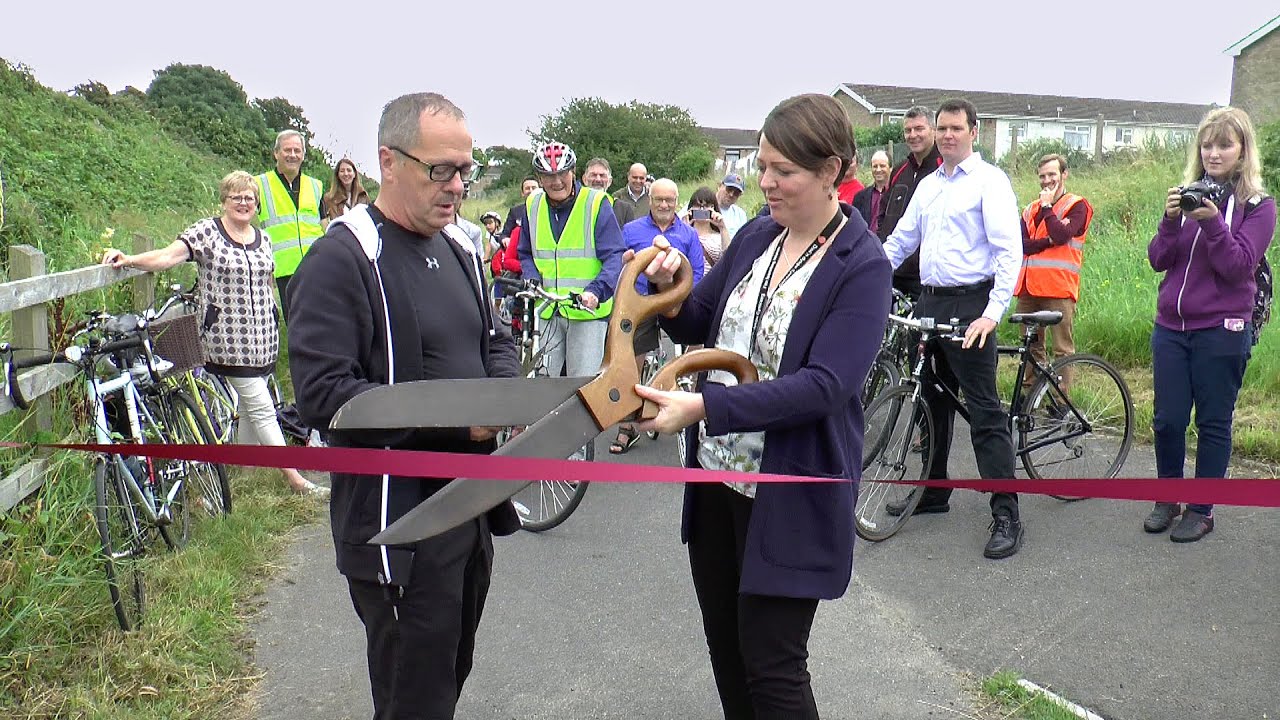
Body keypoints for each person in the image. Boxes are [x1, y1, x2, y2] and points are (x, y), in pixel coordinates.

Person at [633, 93, 891, 719]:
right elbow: (702, 319)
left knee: (773, 666)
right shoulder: (758, 235)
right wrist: (669, 288)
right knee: (728, 651)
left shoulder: (863, 265)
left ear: (831, 171)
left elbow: (825, 386)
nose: (764, 181)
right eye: (763, 165)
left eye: (783, 170)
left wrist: (704, 408)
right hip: (718, 480)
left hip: (789, 490)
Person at [286, 92, 522, 719]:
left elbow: (496, 337)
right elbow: (324, 397)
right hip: (398, 529)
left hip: (468, 514)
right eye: (440, 170)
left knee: (445, 681)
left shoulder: (464, 248)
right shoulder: (342, 260)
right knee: (411, 698)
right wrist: (455, 418)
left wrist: (505, 396)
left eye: (465, 170)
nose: (457, 186)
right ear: (388, 162)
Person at [101, 171, 324, 497]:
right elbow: (167, 256)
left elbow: (266, 285)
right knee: (262, 408)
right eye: (237, 197)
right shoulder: (208, 232)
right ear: (224, 201)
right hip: (227, 342)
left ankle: (245, 477)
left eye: (249, 198)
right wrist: (130, 259)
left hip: (263, 341)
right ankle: (296, 480)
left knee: (249, 409)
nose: (243, 203)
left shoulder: (263, 238)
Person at [881, 98, 1024, 560]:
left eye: (955, 128)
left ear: (974, 132)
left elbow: (1008, 253)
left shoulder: (989, 181)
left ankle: (1007, 511)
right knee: (931, 403)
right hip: (931, 300)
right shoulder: (928, 186)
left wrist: (992, 312)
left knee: (984, 411)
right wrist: (863, 275)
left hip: (972, 304)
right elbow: (902, 240)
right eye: (941, 128)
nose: (946, 135)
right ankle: (934, 490)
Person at [1144, 106, 1276, 543]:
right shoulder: (1188, 193)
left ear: (1242, 151)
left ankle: (1201, 509)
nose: (1214, 153)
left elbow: (1238, 266)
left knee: (1214, 421)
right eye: (1207, 144)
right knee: (1167, 419)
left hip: (1223, 327)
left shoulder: (1258, 207)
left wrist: (1214, 224)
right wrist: (1169, 220)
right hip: (1172, 326)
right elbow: (1158, 259)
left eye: (1224, 144)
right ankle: (1169, 497)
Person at [515, 141, 625, 387]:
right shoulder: (532, 205)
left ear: (573, 172)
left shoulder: (595, 203)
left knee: (582, 386)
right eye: (548, 175)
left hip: (586, 311)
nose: (556, 181)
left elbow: (615, 255)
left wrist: (596, 291)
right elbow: (525, 252)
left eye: (562, 173)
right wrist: (531, 277)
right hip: (547, 309)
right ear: (539, 178)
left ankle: (581, 427)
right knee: (542, 384)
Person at [611, 178, 705, 455]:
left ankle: (682, 405)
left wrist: (685, 302)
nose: (664, 205)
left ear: (677, 201)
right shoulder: (630, 230)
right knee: (631, 360)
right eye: (658, 199)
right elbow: (619, 265)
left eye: (669, 200)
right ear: (649, 201)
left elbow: (696, 272)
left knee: (692, 352)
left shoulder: (688, 234)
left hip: (675, 302)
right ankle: (627, 426)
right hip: (641, 302)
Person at [1014, 153, 1093, 390]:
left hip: (1058, 288)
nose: (1047, 180)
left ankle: (1061, 401)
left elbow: (1060, 235)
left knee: (1062, 348)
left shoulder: (1077, 205)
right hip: (1028, 288)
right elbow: (1021, 244)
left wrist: (1048, 207)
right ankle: (1030, 396)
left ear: (1064, 175)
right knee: (1030, 346)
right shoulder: (1029, 209)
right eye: (1042, 176)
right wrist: (1046, 242)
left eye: (1052, 174)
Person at [256, 129, 326, 318]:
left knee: (321, 319)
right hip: (283, 269)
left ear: (303, 155)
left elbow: (324, 225)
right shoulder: (258, 185)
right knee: (296, 322)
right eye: (287, 150)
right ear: (276, 153)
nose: (292, 155)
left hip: (315, 265)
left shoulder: (315, 185)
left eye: (297, 150)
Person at [877, 106, 944, 299]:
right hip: (893, 271)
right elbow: (883, 214)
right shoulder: (899, 171)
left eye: (919, 129)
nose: (913, 135)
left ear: (933, 130)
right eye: (908, 130)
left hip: (923, 278)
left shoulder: (944, 170)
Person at [683, 185, 731, 268]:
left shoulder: (720, 237)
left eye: (706, 206)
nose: (702, 210)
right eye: (698, 206)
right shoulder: (684, 233)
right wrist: (684, 230)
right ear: (691, 209)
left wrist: (723, 228)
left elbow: (729, 258)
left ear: (713, 208)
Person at [321, 157, 371, 226]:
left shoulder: (363, 197)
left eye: (349, 170)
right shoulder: (329, 199)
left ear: (354, 174)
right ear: (337, 175)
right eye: (342, 171)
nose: (346, 174)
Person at [851, 150, 890, 233]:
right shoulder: (860, 197)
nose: (878, 170)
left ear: (890, 168)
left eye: (882, 166)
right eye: (875, 166)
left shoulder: (896, 195)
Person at [612, 162, 650, 228]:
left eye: (641, 178)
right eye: (635, 177)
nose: (638, 181)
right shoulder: (617, 196)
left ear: (646, 178)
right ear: (628, 177)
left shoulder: (652, 197)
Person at [716, 173, 750, 240]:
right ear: (720, 186)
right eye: (729, 189)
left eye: (736, 193)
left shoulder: (740, 214)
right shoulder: (702, 206)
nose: (731, 194)